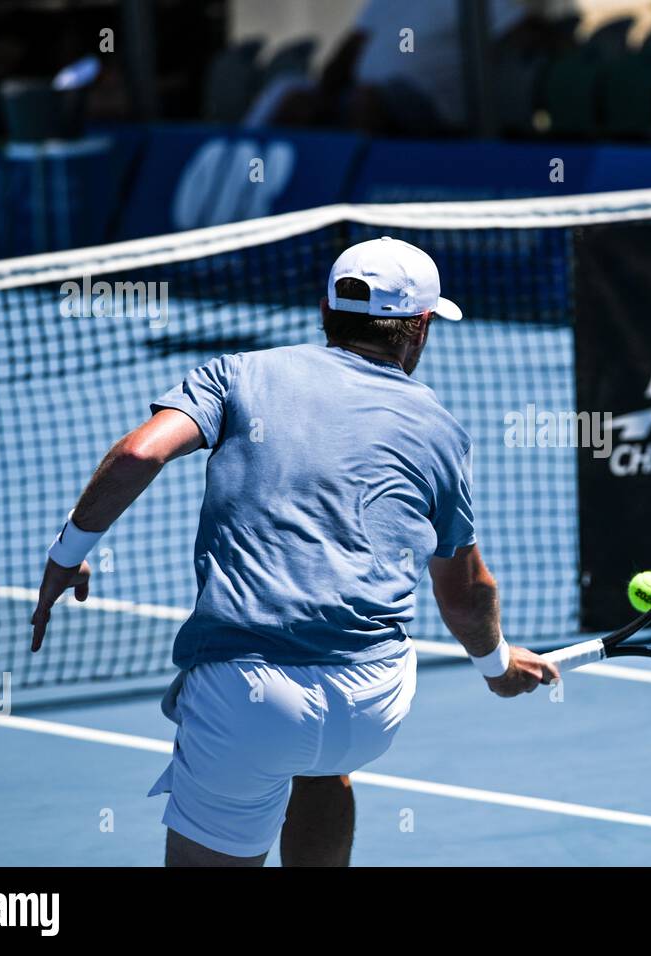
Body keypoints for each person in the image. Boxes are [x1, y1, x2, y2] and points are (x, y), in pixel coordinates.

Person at [30, 236, 558, 866]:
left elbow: (140, 453)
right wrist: (497, 666)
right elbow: (467, 595)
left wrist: (71, 550)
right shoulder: (440, 429)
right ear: (418, 329)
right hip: (370, 701)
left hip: (248, 698)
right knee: (322, 765)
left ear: (324, 310)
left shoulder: (238, 374)